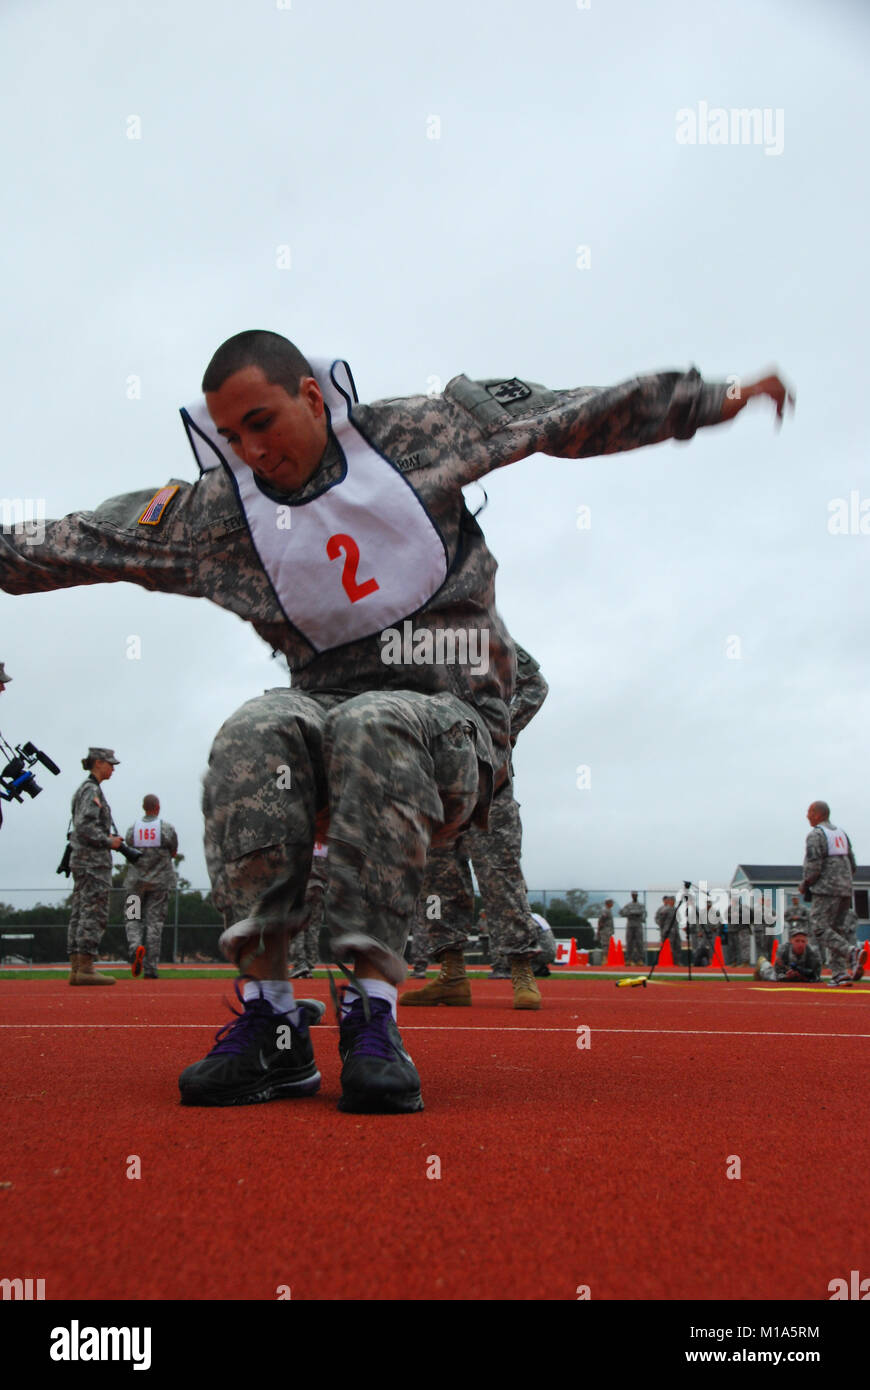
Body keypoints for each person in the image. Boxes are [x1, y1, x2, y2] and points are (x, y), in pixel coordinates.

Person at [0, 330, 792, 1112]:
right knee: (252, 731)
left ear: (312, 397)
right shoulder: (223, 516)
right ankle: (273, 1023)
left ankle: (373, 1015)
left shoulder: (417, 435)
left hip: (452, 727)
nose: (254, 451)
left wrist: (710, 398)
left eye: (263, 422)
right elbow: (83, 540)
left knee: (376, 721)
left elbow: (565, 415)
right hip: (329, 724)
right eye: (233, 436)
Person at [401, 642, 548, 1009]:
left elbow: (535, 686)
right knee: (438, 882)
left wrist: (499, 732)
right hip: (435, 782)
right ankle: (452, 975)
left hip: (489, 782)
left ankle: (521, 971)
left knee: (499, 875)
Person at [67, 748, 123, 985]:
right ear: (98, 763)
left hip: (83, 861)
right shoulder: (91, 790)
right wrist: (109, 841)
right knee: (93, 912)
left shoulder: (86, 789)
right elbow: (85, 827)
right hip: (93, 863)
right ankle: (86, 968)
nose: (113, 769)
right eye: (110, 764)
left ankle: (76, 968)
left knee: (80, 912)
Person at [799, 800, 858, 988]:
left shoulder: (816, 835)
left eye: (810, 812)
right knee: (836, 929)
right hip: (846, 889)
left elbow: (814, 866)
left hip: (826, 889)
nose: (807, 816)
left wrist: (805, 883)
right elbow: (853, 864)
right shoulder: (841, 834)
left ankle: (851, 953)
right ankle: (839, 973)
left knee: (819, 928)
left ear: (819, 814)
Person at [124, 794, 179, 980]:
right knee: (154, 923)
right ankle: (151, 968)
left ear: (143, 807)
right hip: (159, 884)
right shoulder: (166, 829)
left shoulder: (132, 829)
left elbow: (127, 848)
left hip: (134, 884)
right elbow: (174, 851)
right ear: (158, 807)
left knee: (132, 918)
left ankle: (135, 948)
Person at [289, 840, 327, 978]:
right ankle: (309, 963)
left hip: (301, 884)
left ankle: (300, 963)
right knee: (313, 927)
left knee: (296, 925)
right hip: (320, 886)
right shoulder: (324, 841)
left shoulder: (300, 837)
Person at [754, 926, 822, 983]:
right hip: (786, 971)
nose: (800, 944)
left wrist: (802, 976)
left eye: (803, 941)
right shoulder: (782, 950)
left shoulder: (813, 953)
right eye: (797, 941)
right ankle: (763, 963)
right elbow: (777, 973)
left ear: (807, 942)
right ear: (791, 941)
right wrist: (786, 976)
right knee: (770, 976)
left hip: (804, 974)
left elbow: (816, 976)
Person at [622, 891, 647, 967]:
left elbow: (644, 914)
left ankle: (640, 960)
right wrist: (632, 913)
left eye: (635, 895)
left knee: (639, 943)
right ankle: (629, 959)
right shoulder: (628, 905)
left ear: (637, 896)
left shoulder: (641, 905)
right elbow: (623, 913)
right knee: (629, 943)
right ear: (631, 896)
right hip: (630, 925)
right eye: (633, 895)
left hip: (638, 925)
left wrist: (637, 914)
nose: (634, 896)